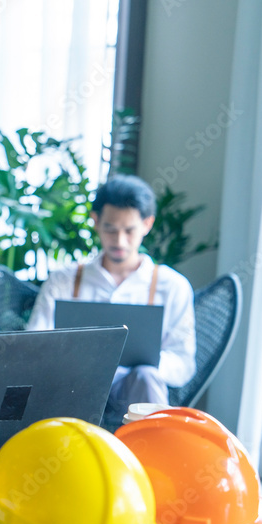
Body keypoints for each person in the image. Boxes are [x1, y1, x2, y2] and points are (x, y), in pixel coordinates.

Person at [26, 175, 196, 426]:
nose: (119, 241)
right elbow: (33, 344)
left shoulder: (172, 287)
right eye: (110, 229)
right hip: (73, 388)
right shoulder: (64, 280)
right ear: (96, 222)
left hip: (136, 393)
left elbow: (184, 364)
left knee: (147, 377)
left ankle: (151, 459)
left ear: (147, 224)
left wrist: (148, 361)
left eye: (129, 231)